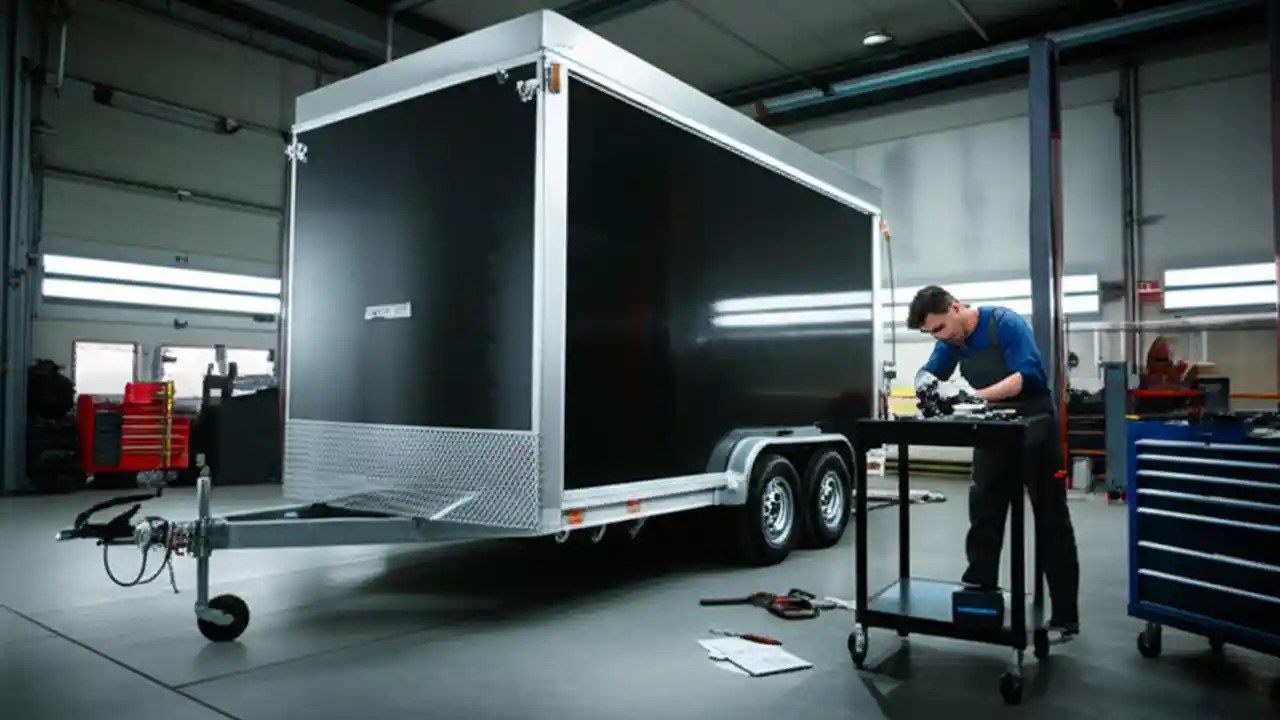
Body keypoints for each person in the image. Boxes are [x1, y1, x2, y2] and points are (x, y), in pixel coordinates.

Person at [906, 285, 1080, 635]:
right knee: (984, 510)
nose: (939, 337)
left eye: (939, 328)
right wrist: (923, 382)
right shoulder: (951, 341)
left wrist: (973, 395)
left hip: (1035, 425)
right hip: (992, 429)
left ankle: (1065, 615)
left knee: (1051, 519)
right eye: (931, 333)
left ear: (956, 308)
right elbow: (933, 370)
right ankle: (979, 596)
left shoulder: (1005, 324)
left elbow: (1027, 375)